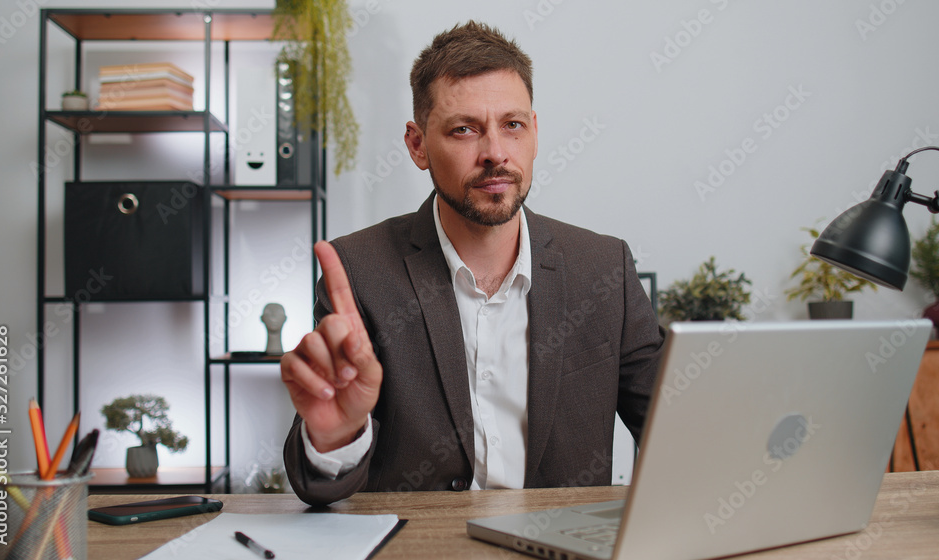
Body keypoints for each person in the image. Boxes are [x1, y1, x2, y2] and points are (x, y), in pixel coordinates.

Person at [281, 21, 665, 506]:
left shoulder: (604, 270)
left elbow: (680, 439)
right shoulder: (360, 273)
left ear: (535, 131)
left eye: (512, 125)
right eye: (465, 130)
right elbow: (318, 486)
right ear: (418, 145)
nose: (496, 154)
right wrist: (337, 436)